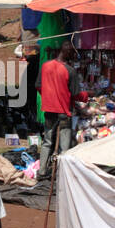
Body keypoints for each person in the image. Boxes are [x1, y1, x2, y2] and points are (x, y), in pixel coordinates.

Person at [39, 43, 81, 178]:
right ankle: (63, 175)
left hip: (49, 110)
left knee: (47, 141)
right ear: (68, 53)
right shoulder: (70, 71)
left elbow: (38, 86)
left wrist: (49, 97)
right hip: (63, 112)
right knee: (64, 146)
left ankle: (42, 171)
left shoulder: (45, 66)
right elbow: (76, 94)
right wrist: (88, 95)